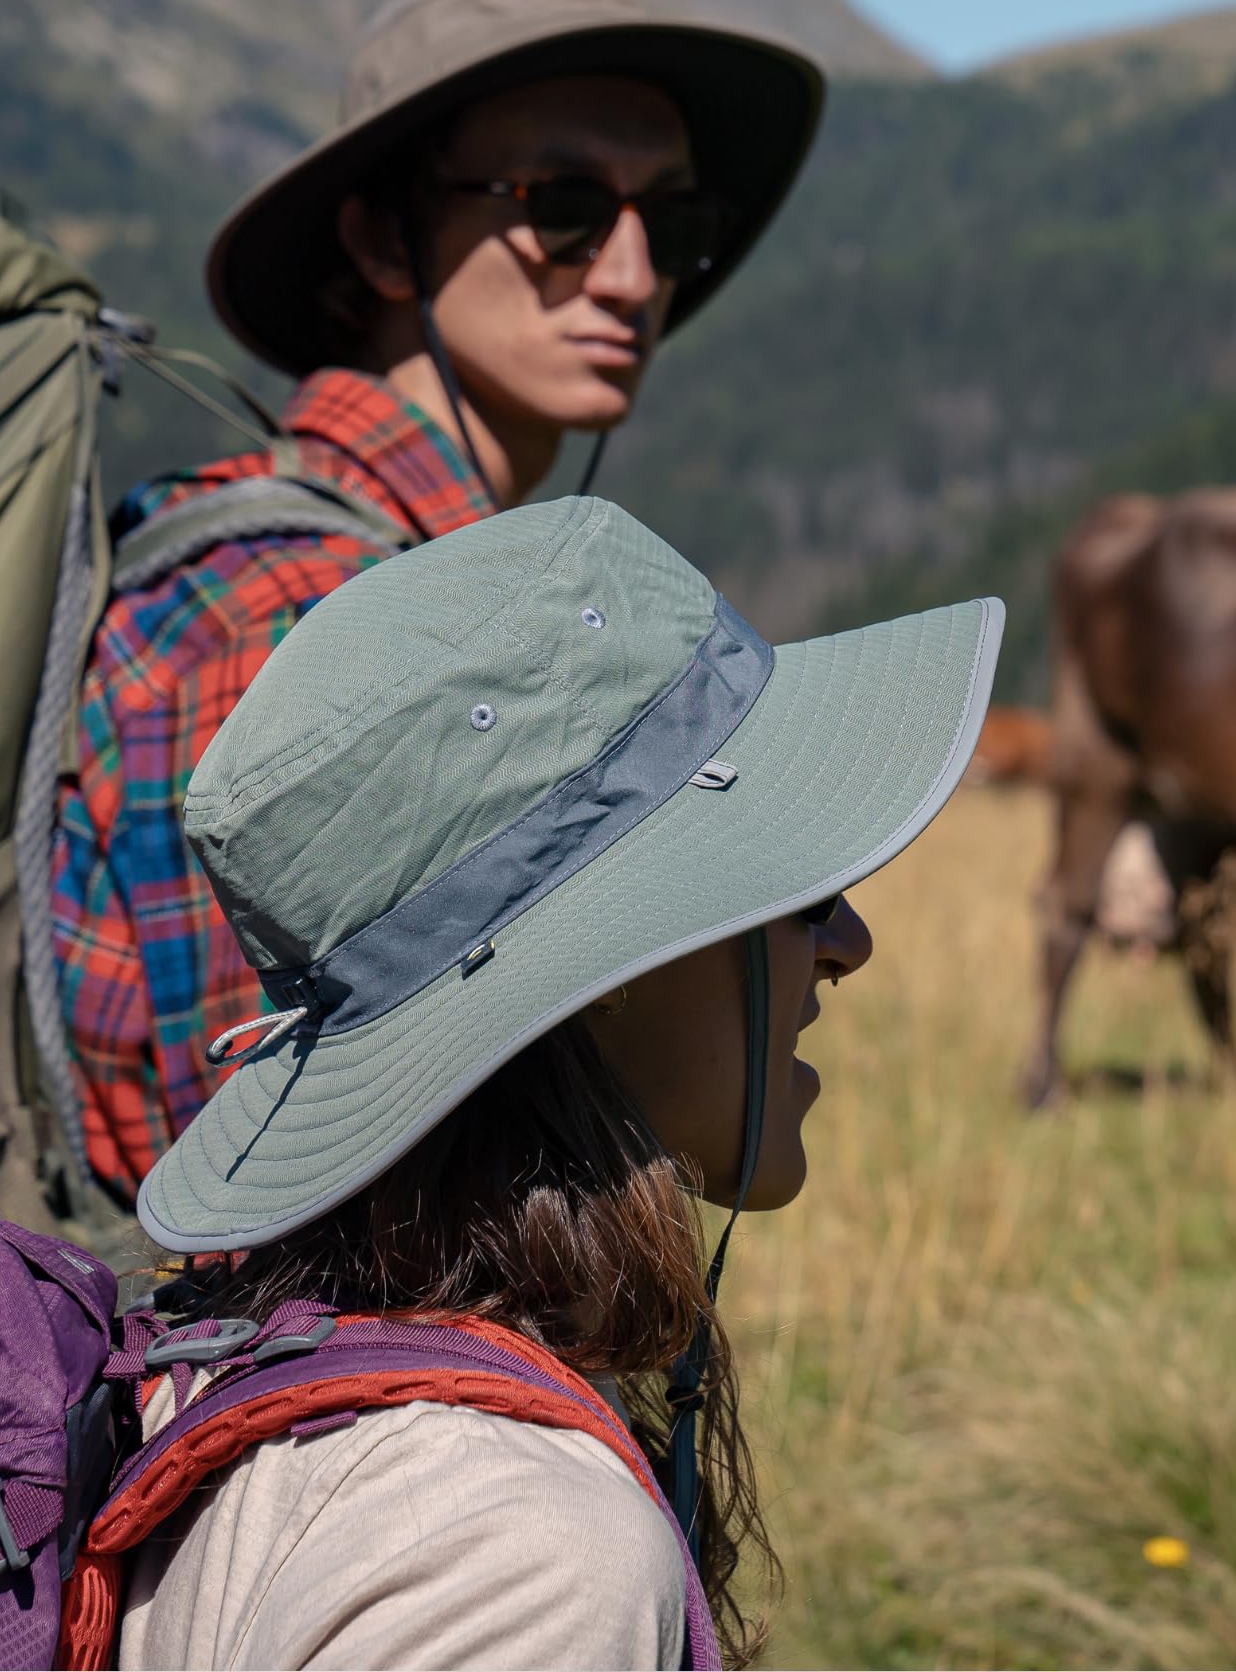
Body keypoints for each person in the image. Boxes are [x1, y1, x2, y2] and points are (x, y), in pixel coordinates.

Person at [116, 495, 1004, 1667]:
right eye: (789, 892)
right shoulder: (528, 1555)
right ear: (594, 976)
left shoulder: (252, 1358)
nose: (847, 943)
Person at [51, 0, 823, 1204]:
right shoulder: (298, 630)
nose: (632, 277)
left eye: (671, 222)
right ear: (380, 237)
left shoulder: (408, 596)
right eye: (562, 205)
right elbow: (275, 1193)